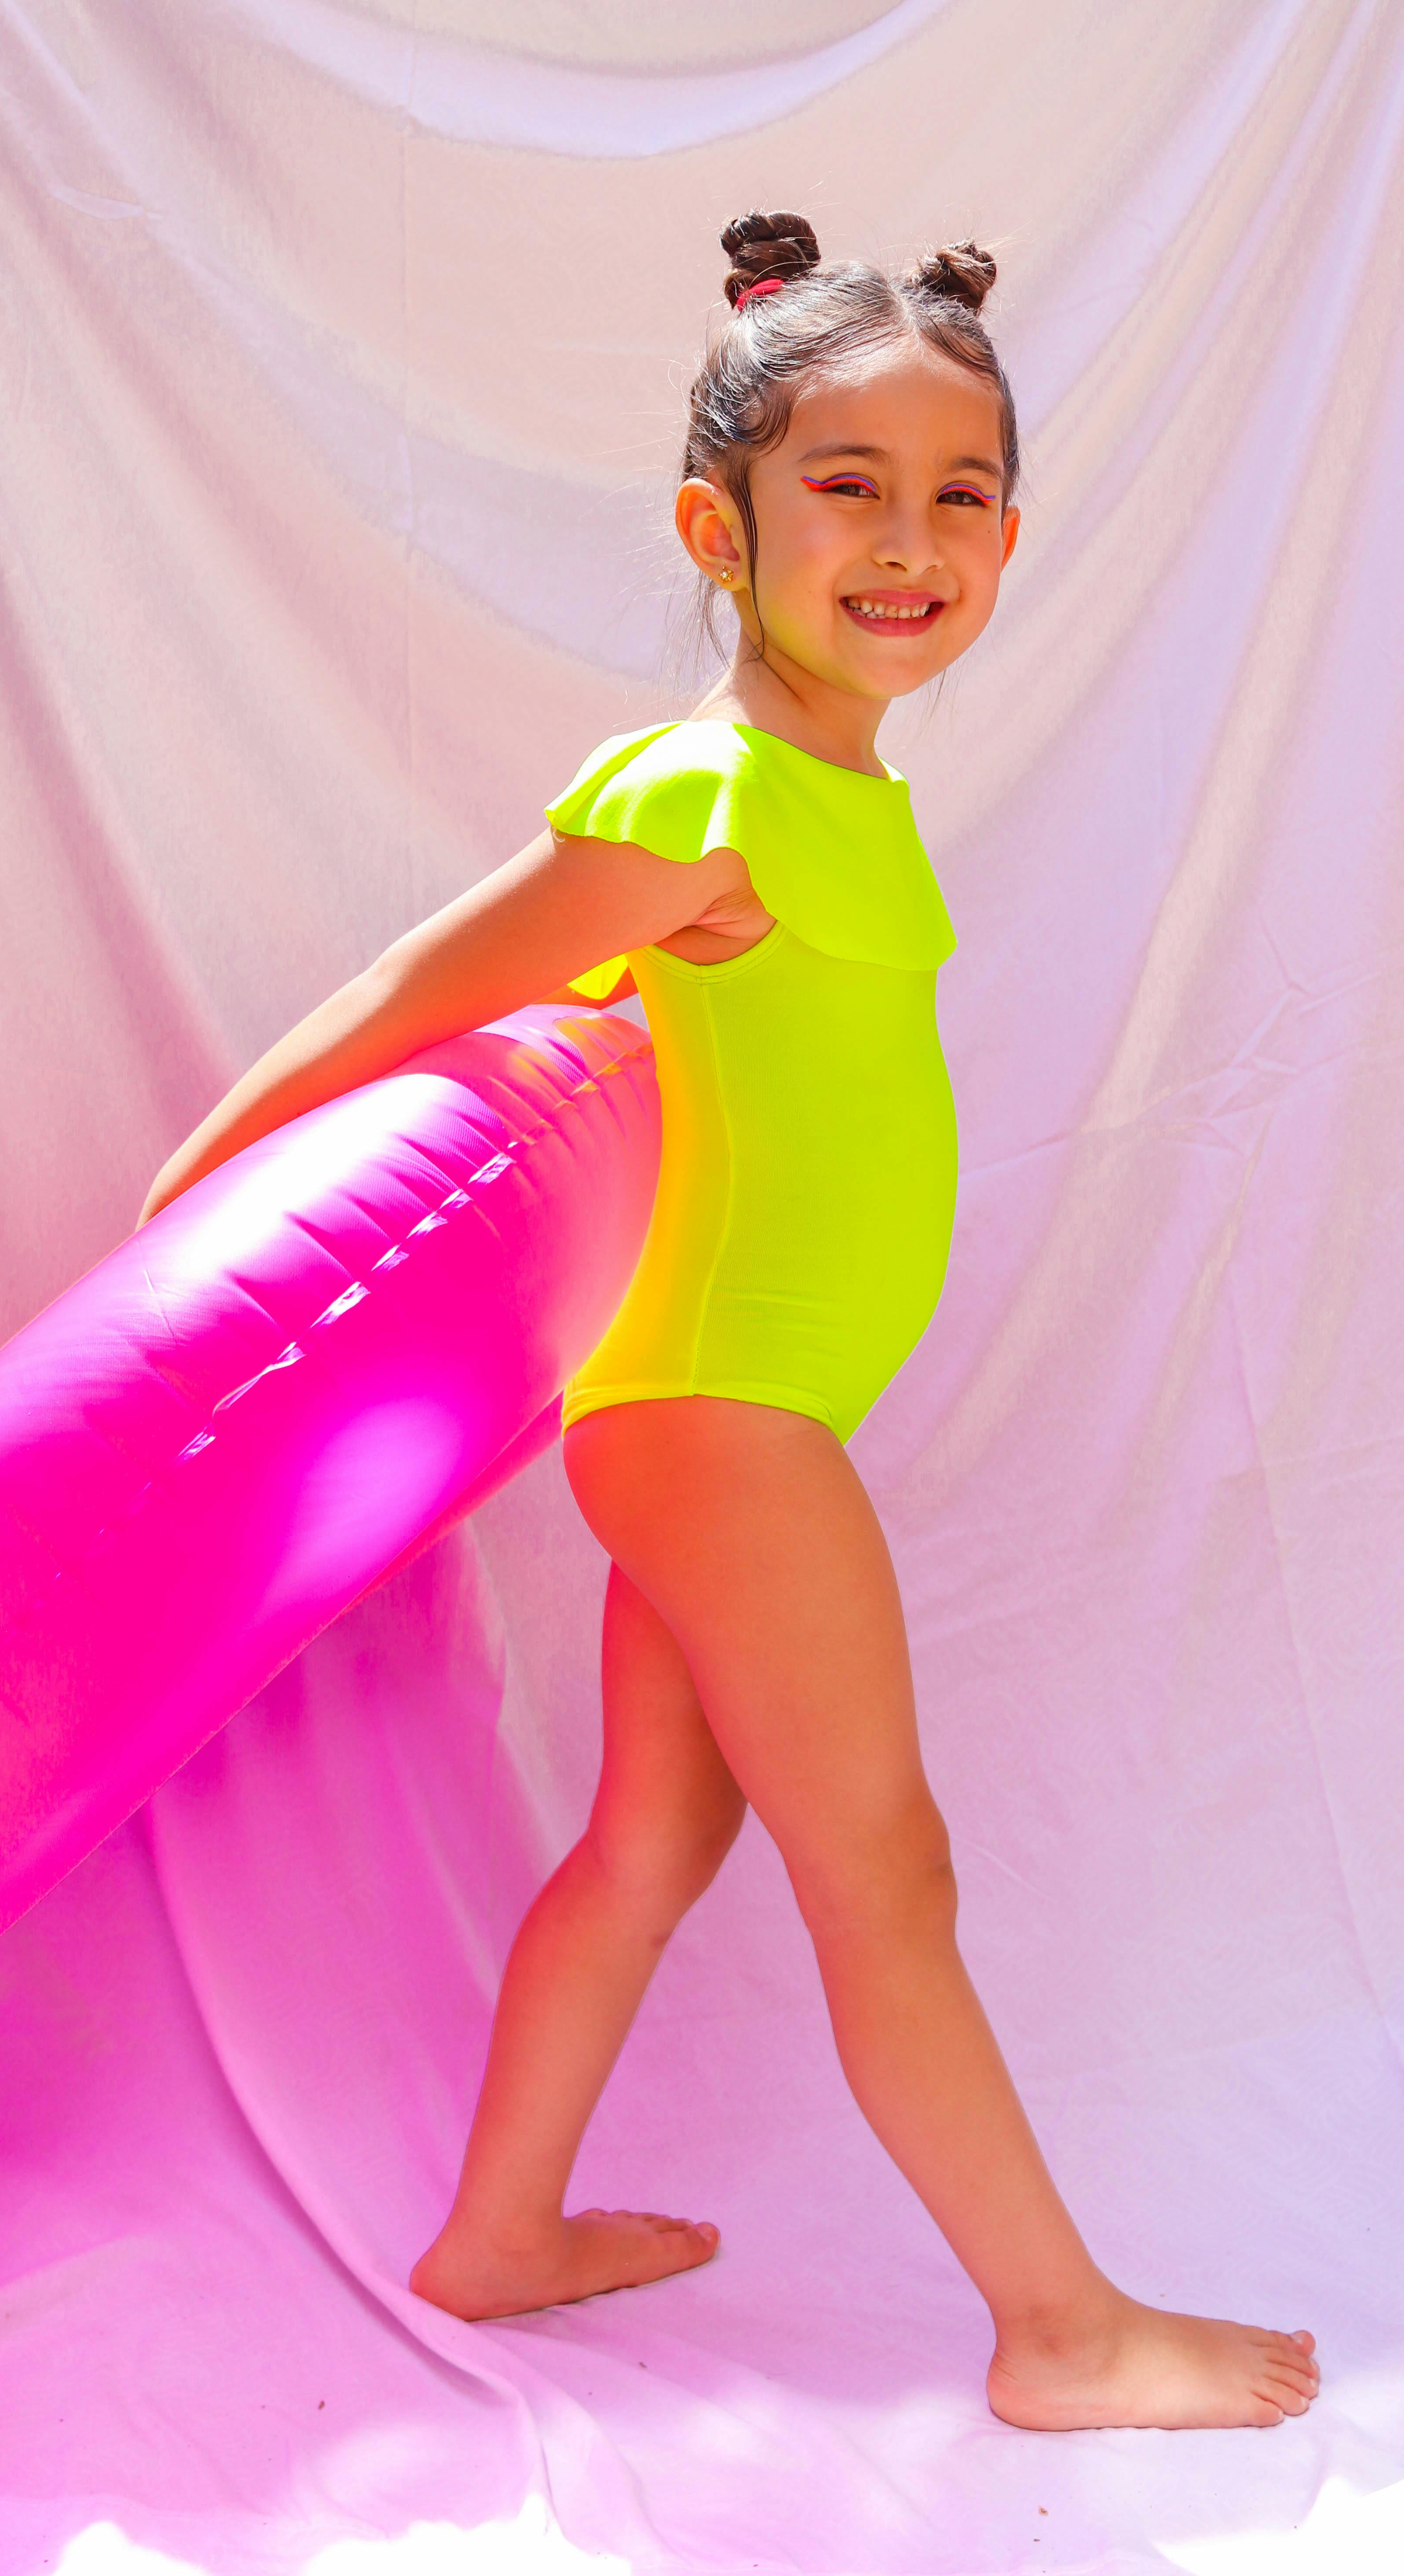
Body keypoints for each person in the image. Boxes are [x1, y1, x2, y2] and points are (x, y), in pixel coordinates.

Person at [139, 211, 1319, 2432]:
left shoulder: (852, 791)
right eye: (846, 489)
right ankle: (1060, 2329)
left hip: (743, 1416)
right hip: (718, 1412)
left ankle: (498, 2232)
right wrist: (203, 1191)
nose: (910, 541)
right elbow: (421, 995)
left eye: (958, 494)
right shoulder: (703, 793)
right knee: (890, 1864)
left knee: (656, 1842)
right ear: (722, 522)